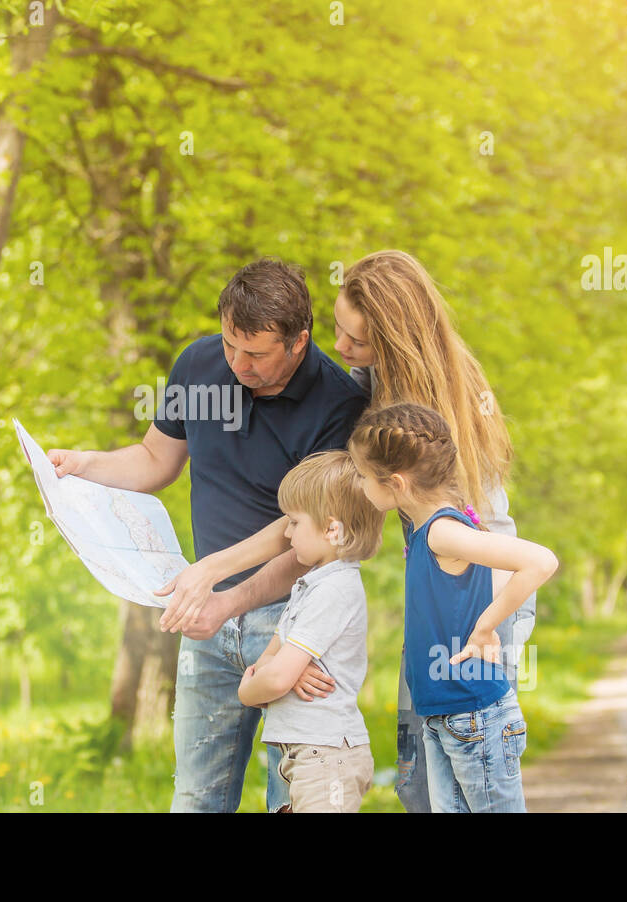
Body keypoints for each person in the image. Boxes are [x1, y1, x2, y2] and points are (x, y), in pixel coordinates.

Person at [158, 250, 535, 812]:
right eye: (337, 328)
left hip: (481, 606)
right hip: (434, 599)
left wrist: (496, 635)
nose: (340, 348)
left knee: (468, 778)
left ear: (393, 342)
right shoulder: (365, 389)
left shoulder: (435, 418)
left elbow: (323, 520)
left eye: (356, 341)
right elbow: (314, 512)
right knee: (417, 779)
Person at [46, 258, 368, 812]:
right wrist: (85, 464)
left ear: (299, 341)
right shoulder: (198, 365)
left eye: (256, 353)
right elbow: (154, 460)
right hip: (205, 618)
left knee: (287, 801)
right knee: (196, 798)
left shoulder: (338, 404)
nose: (237, 364)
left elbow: (304, 530)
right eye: (229, 345)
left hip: (295, 626)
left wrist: (221, 587)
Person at [347, 403, 557, 812]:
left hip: (474, 716)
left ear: (396, 482)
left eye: (362, 475)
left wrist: (485, 628)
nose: (359, 485)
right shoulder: (430, 532)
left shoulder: (443, 531)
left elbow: (540, 562)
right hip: (442, 717)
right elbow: (489, 581)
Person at [237, 451, 384, 812]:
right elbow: (270, 660)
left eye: (293, 522)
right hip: (305, 757)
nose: (286, 534)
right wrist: (277, 672)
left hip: (326, 758)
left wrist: (250, 686)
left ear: (332, 529)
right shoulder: (310, 585)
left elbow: (269, 679)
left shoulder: (334, 590)